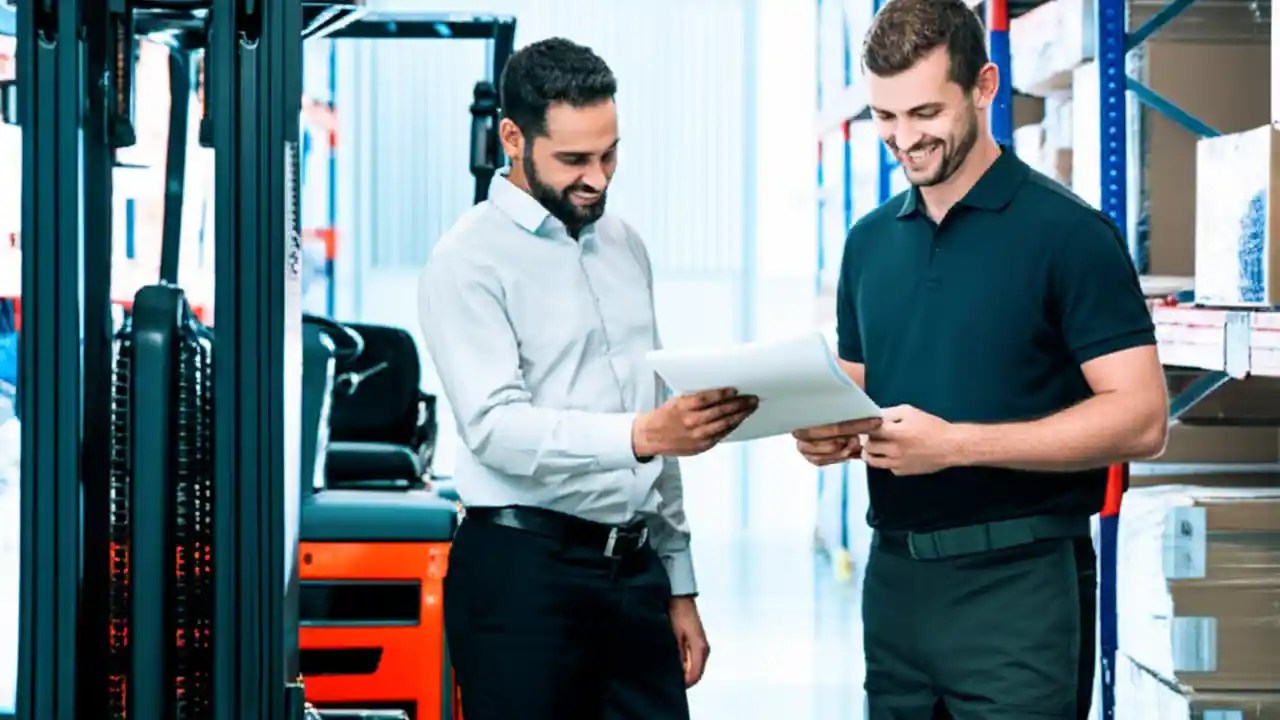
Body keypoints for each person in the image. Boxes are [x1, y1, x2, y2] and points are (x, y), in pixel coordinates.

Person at [792, 0, 1170, 718]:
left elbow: (1143, 419)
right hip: (895, 585)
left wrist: (956, 446)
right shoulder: (868, 244)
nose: (904, 139)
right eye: (885, 116)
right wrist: (824, 432)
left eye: (925, 112)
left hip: (1019, 587)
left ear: (984, 87)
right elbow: (859, 391)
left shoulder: (1069, 235)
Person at [417, 37, 757, 720]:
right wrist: (641, 435)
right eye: (574, 160)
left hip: (634, 574)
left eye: (609, 154)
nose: (598, 178)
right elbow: (494, 429)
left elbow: (653, 416)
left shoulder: (624, 245)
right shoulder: (468, 260)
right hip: (523, 578)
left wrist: (679, 582)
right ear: (513, 139)